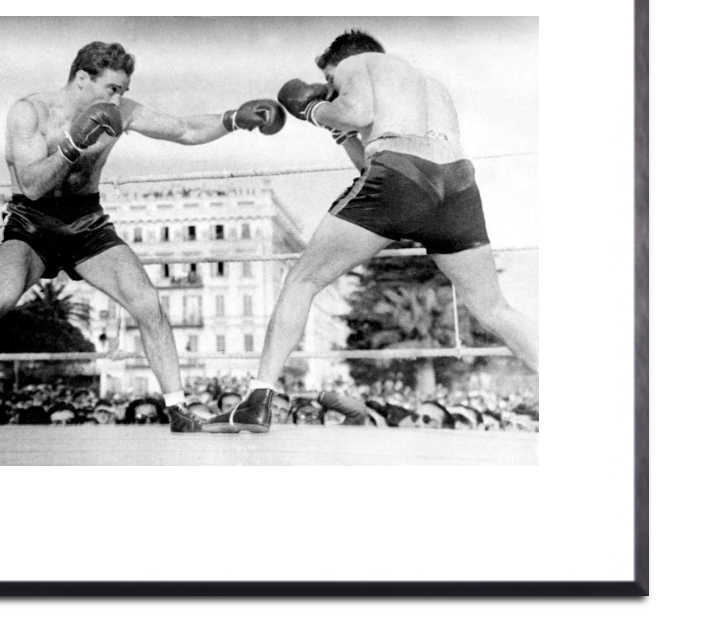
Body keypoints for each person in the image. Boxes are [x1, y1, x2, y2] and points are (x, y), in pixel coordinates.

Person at [0, 41, 285, 433]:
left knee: (147, 301)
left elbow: (184, 129)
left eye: (123, 91)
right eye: (112, 89)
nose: (117, 99)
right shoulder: (30, 113)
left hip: (87, 223)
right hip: (32, 224)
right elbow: (31, 185)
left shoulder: (122, 111)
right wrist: (72, 145)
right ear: (83, 78)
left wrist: (233, 119)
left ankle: (178, 410)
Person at [205, 29, 539, 433]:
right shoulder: (429, 85)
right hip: (458, 183)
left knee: (302, 281)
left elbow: (356, 114)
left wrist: (315, 110)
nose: (331, 88)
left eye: (330, 80)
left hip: (401, 172)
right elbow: (370, 159)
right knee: (494, 308)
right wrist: (341, 131)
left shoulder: (356, 63)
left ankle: (256, 403)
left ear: (342, 61)